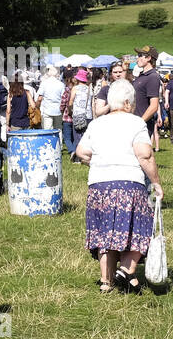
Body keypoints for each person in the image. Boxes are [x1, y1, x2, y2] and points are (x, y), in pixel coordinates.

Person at [74, 79, 164, 294]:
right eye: (132, 102)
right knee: (139, 226)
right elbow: (145, 154)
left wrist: (96, 162)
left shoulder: (96, 124)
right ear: (126, 102)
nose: (133, 106)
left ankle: (106, 282)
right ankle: (126, 270)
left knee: (105, 232)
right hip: (129, 183)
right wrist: (156, 183)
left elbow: (81, 152)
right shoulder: (136, 123)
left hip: (98, 185)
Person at [131, 46, 162, 146]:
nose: (138, 58)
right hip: (134, 121)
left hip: (141, 125)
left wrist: (140, 123)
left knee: (140, 156)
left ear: (149, 58)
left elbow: (154, 106)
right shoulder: (142, 75)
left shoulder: (153, 77)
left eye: (140, 56)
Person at [69, 69, 94, 160]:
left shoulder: (75, 88)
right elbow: (92, 104)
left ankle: (78, 157)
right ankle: (86, 155)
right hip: (88, 115)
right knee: (86, 137)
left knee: (77, 136)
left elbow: (71, 102)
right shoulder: (89, 89)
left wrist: (70, 110)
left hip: (78, 115)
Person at [37, 65, 65, 131]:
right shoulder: (61, 84)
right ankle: (59, 141)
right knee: (58, 129)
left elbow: (39, 98)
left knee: (47, 130)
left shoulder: (44, 83)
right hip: (58, 110)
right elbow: (63, 98)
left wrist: (37, 106)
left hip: (47, 110)